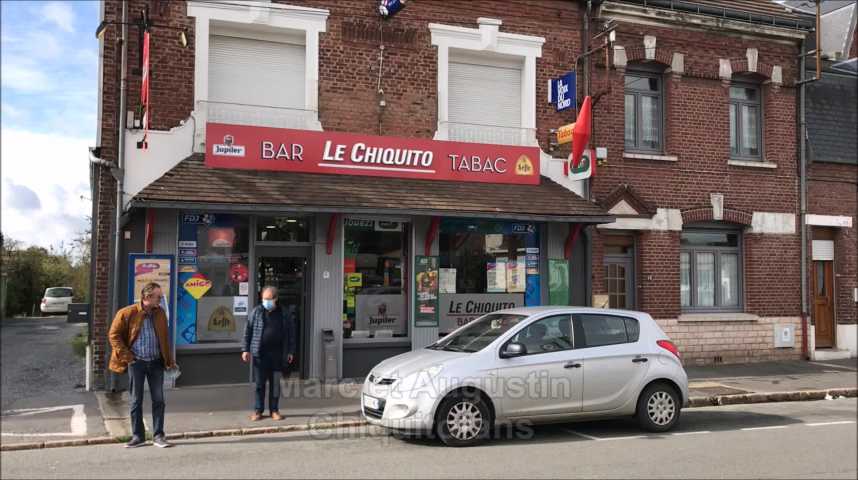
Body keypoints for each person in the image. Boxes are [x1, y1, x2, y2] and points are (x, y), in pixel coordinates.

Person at [108, 282, 177, 448]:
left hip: (156, 363)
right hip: (137, 363)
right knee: (136, 400)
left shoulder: (160, 313)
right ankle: (138, 436)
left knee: (159, 400)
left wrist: (168, 360)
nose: (160, 300)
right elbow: (114, 335)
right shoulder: (127, 313)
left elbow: (164, 339)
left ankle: (159, 435)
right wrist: (128, 357)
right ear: (147, 297)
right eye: (158, 297)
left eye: (160, 297)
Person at [242, 286, 296, 421]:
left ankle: (274, 410)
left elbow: (291, 334)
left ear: (275, 299)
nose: (265, 301)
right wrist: (245, 349)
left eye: (268, 299)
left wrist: (290, 351)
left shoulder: (284, 314)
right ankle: (258, 410)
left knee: (275, 385)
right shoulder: (256, 312)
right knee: (260, 384)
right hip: (260, 355)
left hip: (278, 356)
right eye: (264, 299)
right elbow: (247, 331)